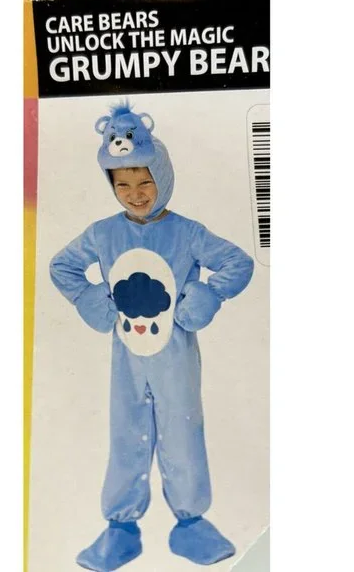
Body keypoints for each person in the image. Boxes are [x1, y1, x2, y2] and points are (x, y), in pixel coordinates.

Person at [49, 101, 254, 571]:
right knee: (125, 432)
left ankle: (191, 523)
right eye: (122, 185)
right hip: (127, 356)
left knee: (182, 431)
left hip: (175, 355)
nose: (135, 194)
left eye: (144, 182)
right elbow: (63, 266)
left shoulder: (187, 233)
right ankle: (120, 528)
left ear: (162, 175)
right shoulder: (103, 234)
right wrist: (91, 299)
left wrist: (205, 295)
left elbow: (237, 262)